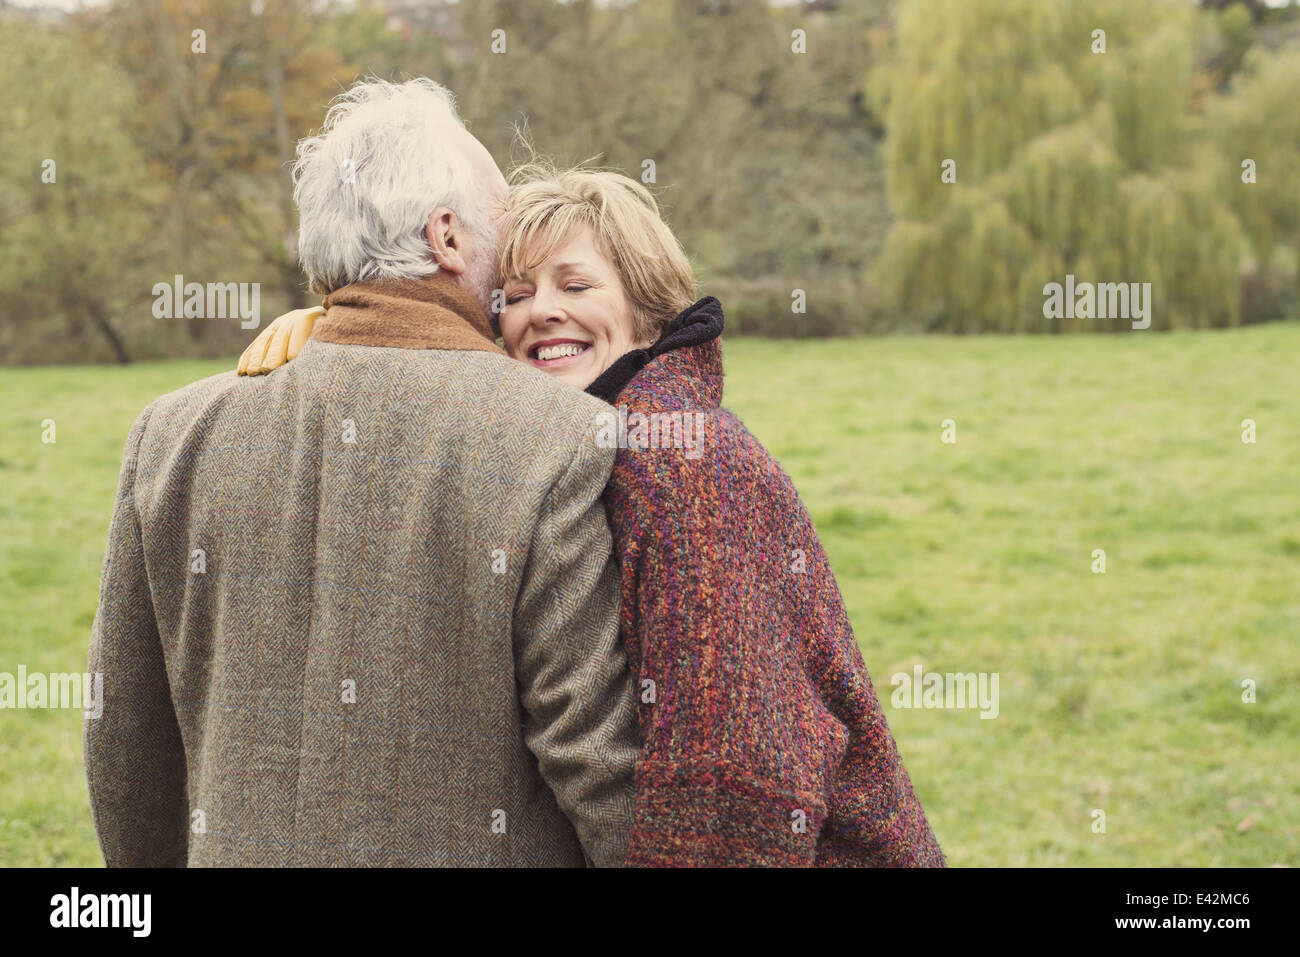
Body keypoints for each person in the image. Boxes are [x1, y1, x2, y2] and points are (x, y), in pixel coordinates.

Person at [84, 79, 640, 868]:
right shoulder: (559, 438)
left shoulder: (171, 436)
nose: (518, 260)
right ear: (447, 236)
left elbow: (125, 745)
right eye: (504, 224)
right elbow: (599, 762)